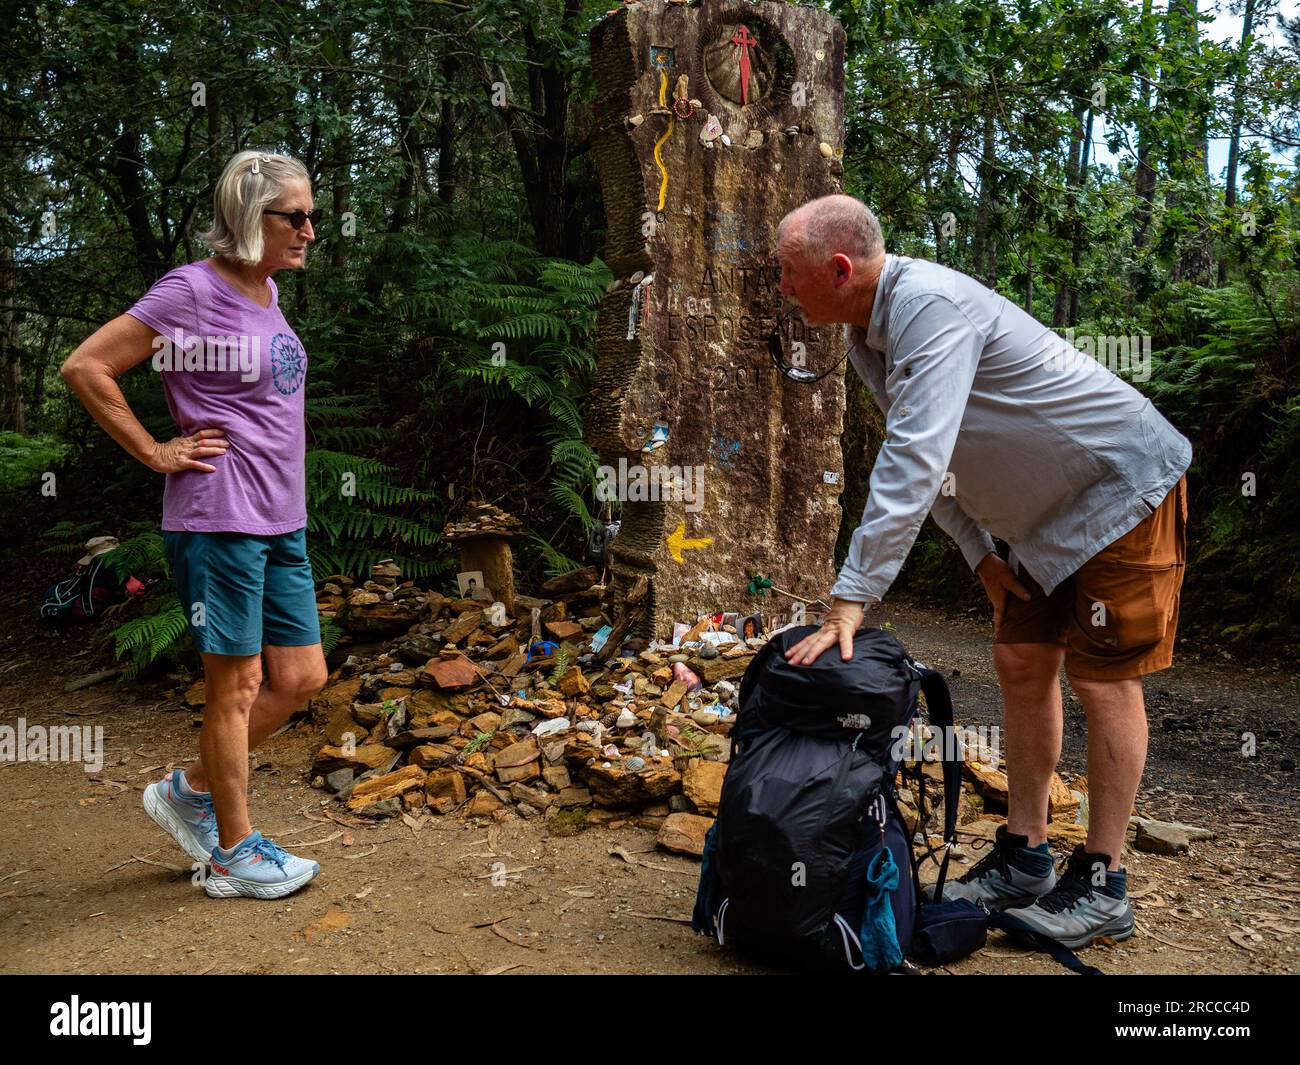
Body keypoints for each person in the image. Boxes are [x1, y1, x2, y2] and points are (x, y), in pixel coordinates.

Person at [776, 194, 1191, 949]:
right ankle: (1025, 856)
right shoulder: (872, 334)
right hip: (1039, 521)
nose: (781, 287)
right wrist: (979, 553)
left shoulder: (929, 308)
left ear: (838, 269)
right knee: (1019, 659)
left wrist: (851, 598)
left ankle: (1103, 882)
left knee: (1103, 678)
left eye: (787, 272)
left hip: (1121, 484)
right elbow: (932, 457)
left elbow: (914, 459)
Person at [61, 150, 328, 900]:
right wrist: (154, 449)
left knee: (302, 676)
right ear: (251, 219)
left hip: (282, 518)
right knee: (236, 685)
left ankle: (188, 790)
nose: (311, 229)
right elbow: (86, 367)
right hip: (218, 516)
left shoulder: (267, 290)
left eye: (312, 214)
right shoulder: (190, 290)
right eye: (296, 216)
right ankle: (233, 852)